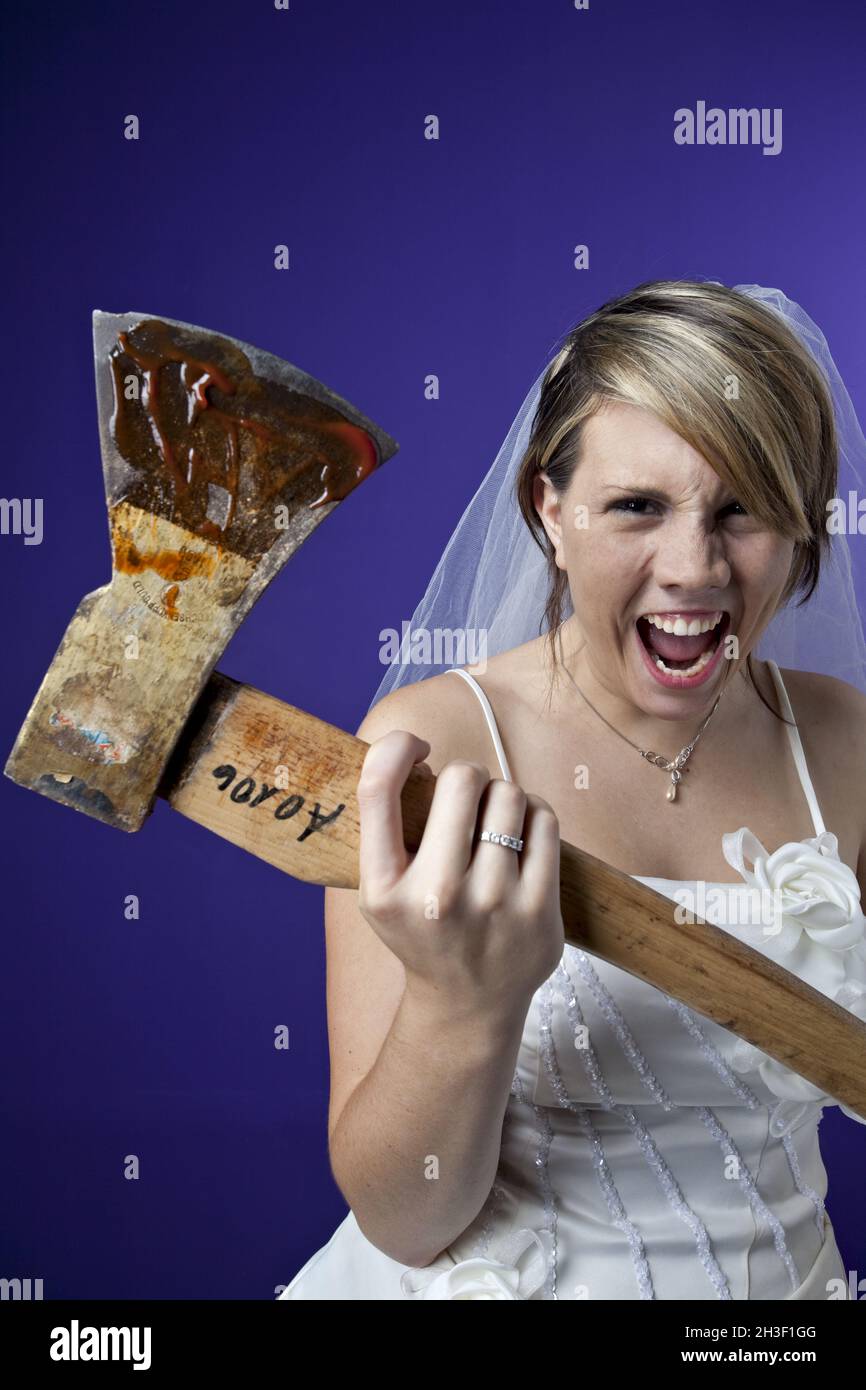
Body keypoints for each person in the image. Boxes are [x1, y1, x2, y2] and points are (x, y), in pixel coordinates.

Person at [278, 280, 866, 1300]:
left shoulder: (847, 743)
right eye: (636, 505)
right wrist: (465, 1003)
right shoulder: (428, 753)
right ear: (548, 511)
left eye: (742, 511)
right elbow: (405, 1217)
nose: (692, 567)